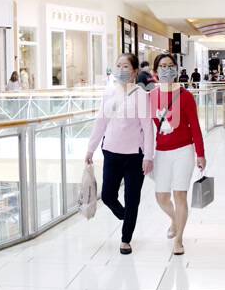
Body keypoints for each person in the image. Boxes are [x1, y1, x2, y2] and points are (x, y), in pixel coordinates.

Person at [86, 54, 155, 255]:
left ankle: (126, 239)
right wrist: (91, 148)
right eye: (118, 66)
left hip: (135, 155)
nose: (121, 70)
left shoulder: (141, 95)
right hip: (111, 152)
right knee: (107, 195)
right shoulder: (109, 93)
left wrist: (148, 156)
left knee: (132, 198)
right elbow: (101, 123)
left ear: (134, 71)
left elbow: (147, 128)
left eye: (126, 66)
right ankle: (126, 216)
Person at [150, 53, 206, 256]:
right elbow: (147, 129)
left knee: (179, 194)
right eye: (162, 66)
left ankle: (179, 239)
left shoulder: (186, 96)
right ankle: (174, 219)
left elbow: (195, 128)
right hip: (160, 152)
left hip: (184, 151)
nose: (166, 69)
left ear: (176, 69)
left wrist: (201, 153)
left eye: (170, 65)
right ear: (156, 72)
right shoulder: (151, 96)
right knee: (161, 196)